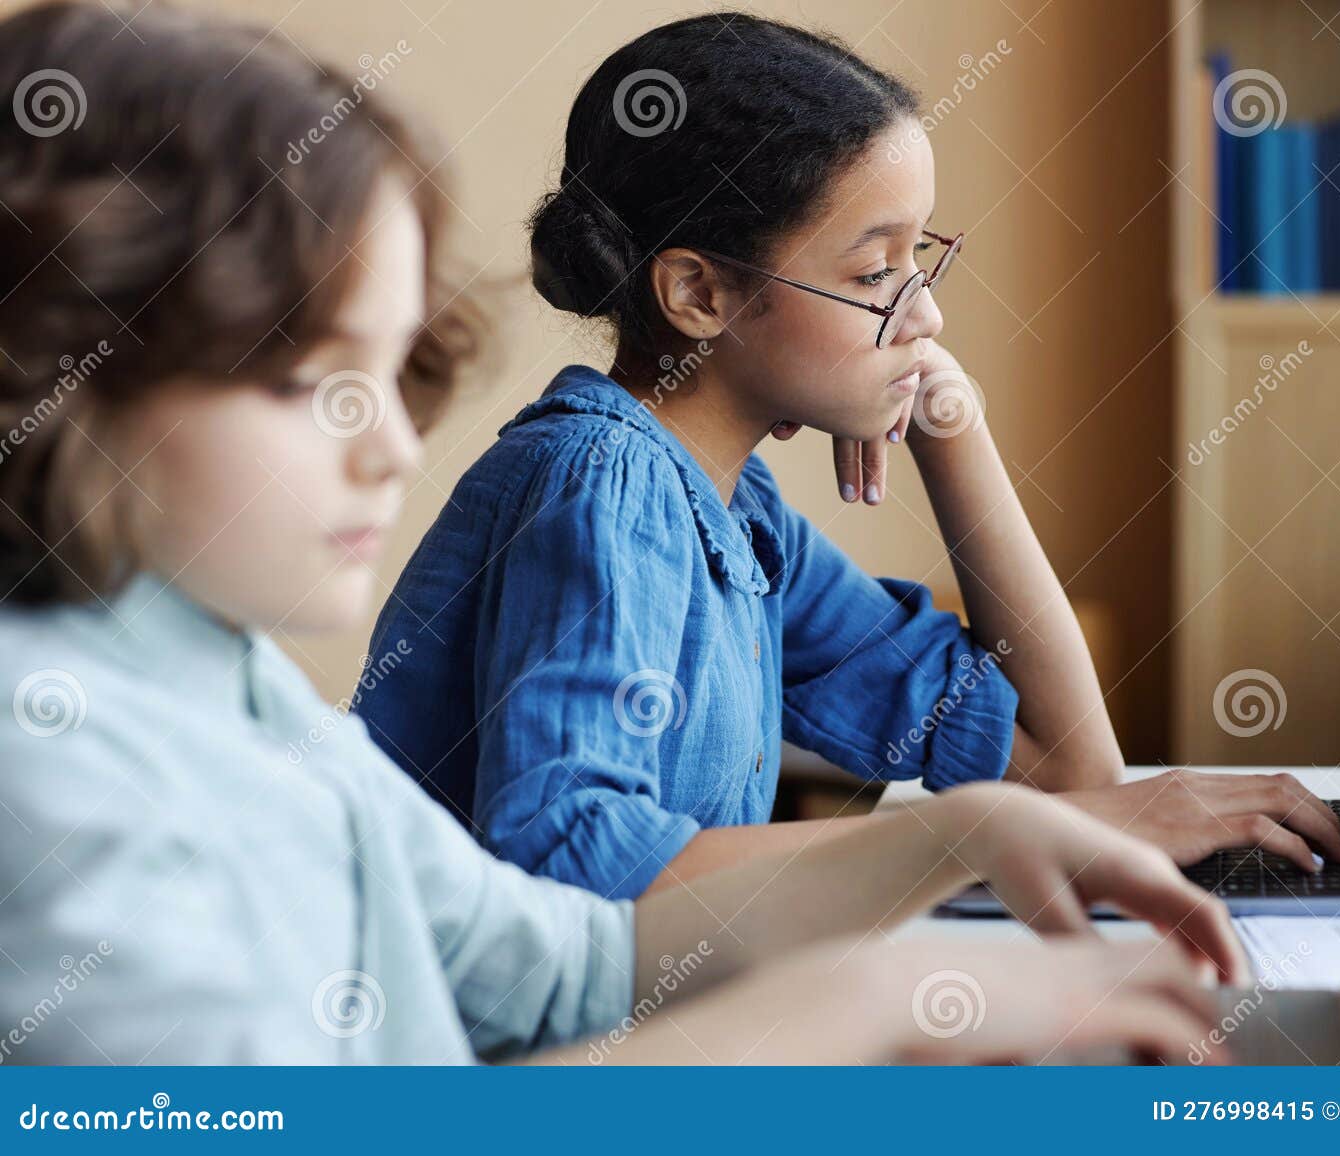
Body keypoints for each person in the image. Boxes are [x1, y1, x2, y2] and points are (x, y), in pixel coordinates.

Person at [0, 1, 1243, 1065]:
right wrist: (880, 996)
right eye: (307, 380)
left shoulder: (228, 680)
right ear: (64, 368)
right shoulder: (54, 776)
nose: (391, 444)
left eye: (392, 372)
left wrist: (970, 829)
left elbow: (562, 957)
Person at [356, 12, 1340, 900]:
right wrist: (959, 838)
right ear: (698, 295)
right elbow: (565, 857)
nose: (927, 311)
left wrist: (951, 430)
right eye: (876, 272)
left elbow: (1059, 770)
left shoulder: (737, 518)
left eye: (920, 259)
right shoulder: (604, 488)